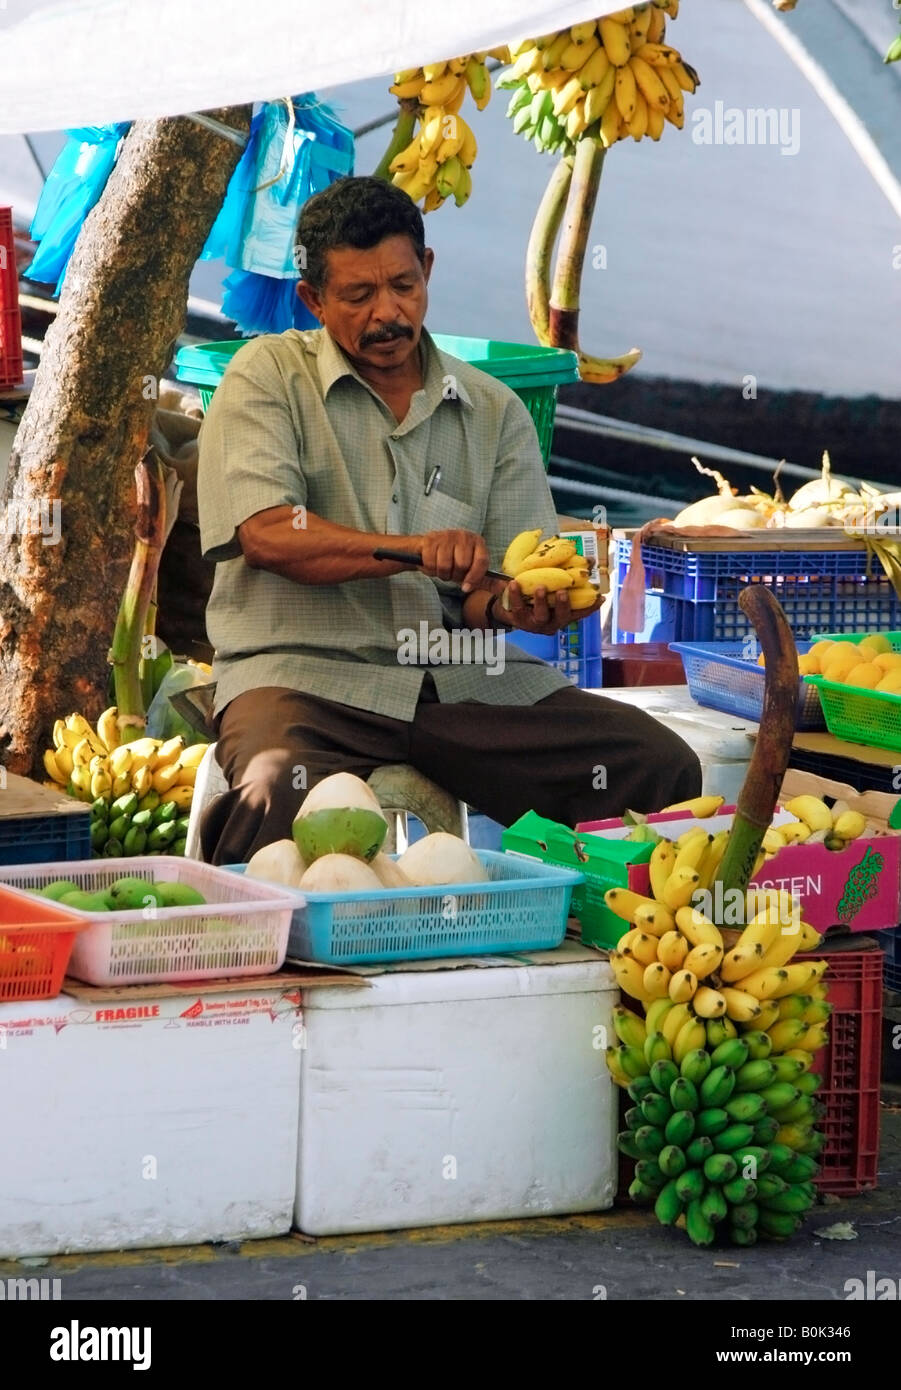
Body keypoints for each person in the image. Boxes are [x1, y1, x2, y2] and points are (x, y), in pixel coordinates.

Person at [196, 175, 700, 864]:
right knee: (269, 790)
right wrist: (413, 549)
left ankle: (594, 939)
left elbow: (489, 599)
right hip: (305, 680)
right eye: (357, 295)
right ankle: (257, 960)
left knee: (655, 765)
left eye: (403, 286)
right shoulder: (267, 377)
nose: (388, 314)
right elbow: (268, 535)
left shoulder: (492, 410)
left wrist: (523, 607)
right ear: (312, 300)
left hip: (458, 683)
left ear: (426, 270)